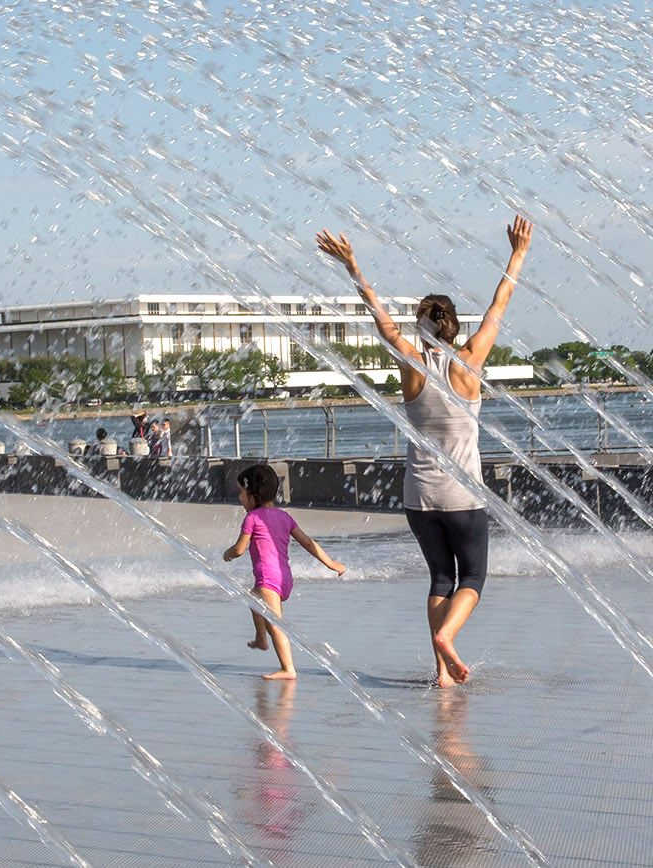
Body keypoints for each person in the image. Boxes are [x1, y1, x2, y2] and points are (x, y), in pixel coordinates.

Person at [319, 214, 530, 686]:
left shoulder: (410, 364)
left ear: (422, 329)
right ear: (453, 328)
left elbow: (379, 316)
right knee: (472, 578)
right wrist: (517, 253)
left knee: (439, 579)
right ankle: (447, 640)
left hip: (419, 497)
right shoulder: (471, 360)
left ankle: (442, 675)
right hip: (463, 498)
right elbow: (501, 304)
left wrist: (353, 266)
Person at [221, 463, 347, 680]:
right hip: (284, 577)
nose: (240, 499)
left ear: (254, 494)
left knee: (276, 625)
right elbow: (308, 542)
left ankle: (288, 668)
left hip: (268, 579)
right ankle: (261, 639)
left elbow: (240, 548)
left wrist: (228, 553)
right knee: (252, 598)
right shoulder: (284, 517)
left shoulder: (252, 518)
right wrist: (331, 563)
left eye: (242, 493)